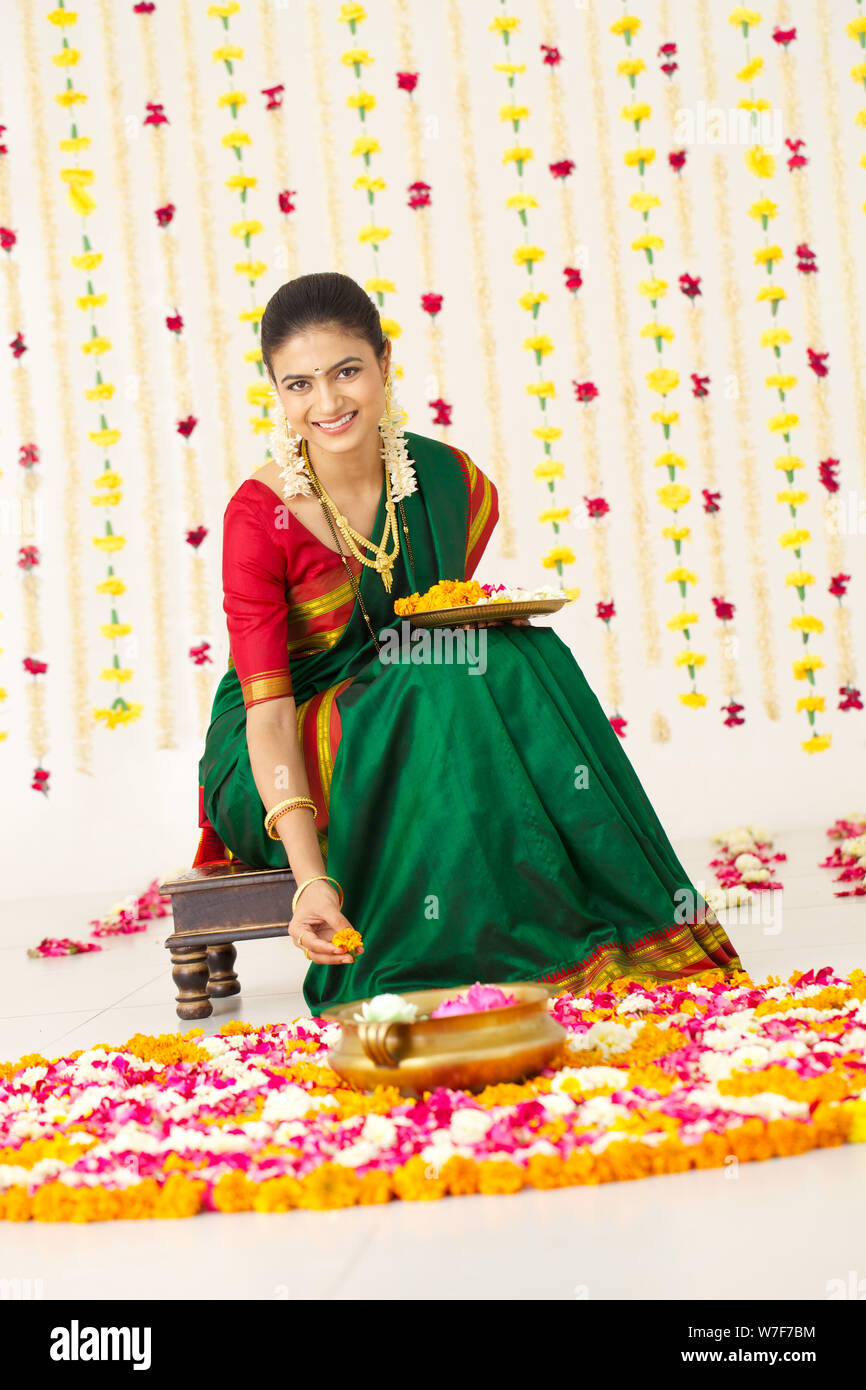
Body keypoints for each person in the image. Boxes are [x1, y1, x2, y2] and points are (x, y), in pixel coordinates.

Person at [194, 271, 742, 1014]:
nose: (327, 404)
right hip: (285, 747)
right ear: (278, 393)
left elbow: (433, 623)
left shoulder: (448, 479)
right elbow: (267, 714)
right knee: (442, 680)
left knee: (522, 652)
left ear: (386, 363)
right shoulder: (259, 519)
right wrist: (312, 878)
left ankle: (598, 928)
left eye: (347, 371)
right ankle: (473, 958)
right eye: (300, 385)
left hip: (415, 702)